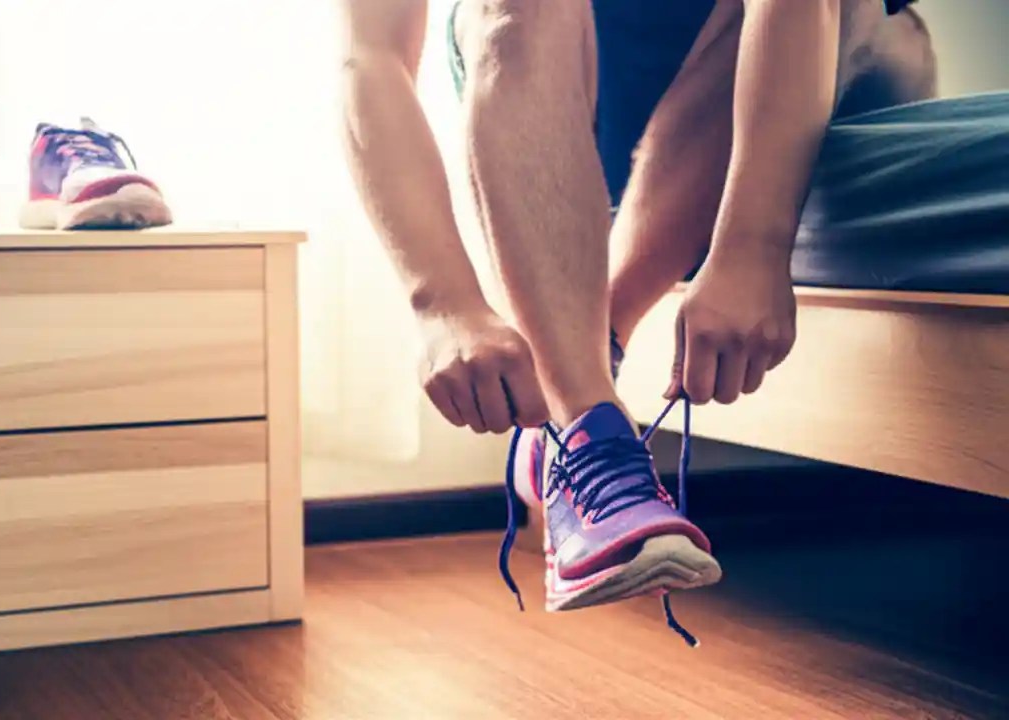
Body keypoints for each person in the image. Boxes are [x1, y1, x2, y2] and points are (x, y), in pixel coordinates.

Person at [337, 0, 936, 630]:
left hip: (789, 72)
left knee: (886, 27)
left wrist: (753, 247)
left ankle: (578, 407)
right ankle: (582, 423)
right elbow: (370, 54)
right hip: (561, 89)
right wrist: (444, 305)